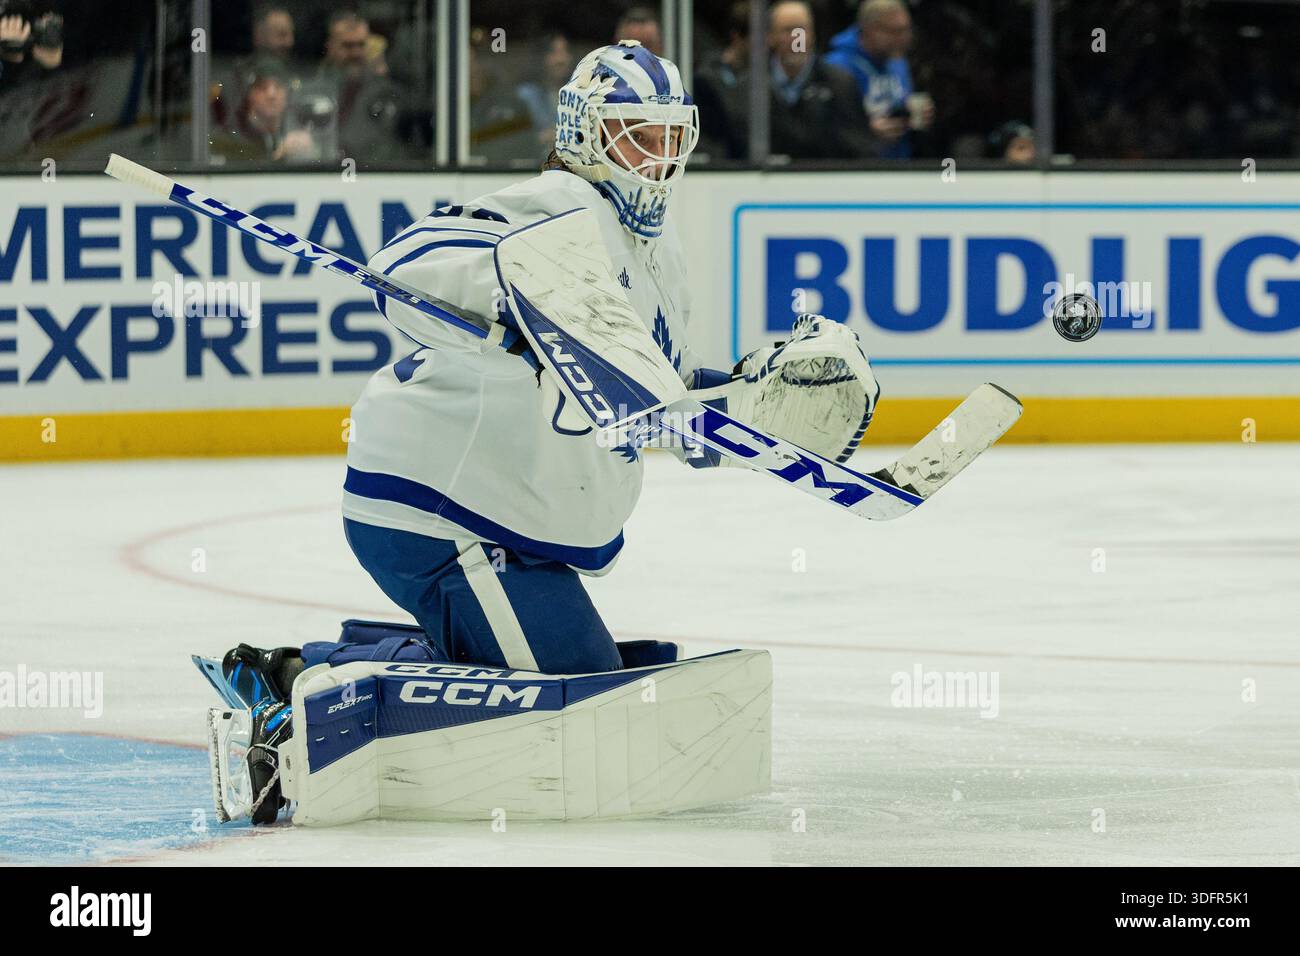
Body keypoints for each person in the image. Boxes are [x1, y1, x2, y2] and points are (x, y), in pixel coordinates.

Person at [214, 40, 880, 824]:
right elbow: (406, 263)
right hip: (440, 512)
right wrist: (512, 299)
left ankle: (315, 669)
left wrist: (747, 398)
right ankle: (293, 694)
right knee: (573, 690)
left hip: (517, 513)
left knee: (581, 681)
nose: (658, 159)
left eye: (672, 137)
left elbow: (641, 395)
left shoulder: (659, 252)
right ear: (586, 134)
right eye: (638, 134)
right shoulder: (558, 208)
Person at [768, 1, 878, 159]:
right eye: (788, 30)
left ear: (812, 34)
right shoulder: (753, 86)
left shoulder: (840, 84)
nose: (796, 40)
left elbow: (859, 146)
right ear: (770, 36)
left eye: (802, 30)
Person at [824, 0, 932, 159]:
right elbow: (826, 130)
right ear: (869, 30)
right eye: (895, 32)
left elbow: (900, 105)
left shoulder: (897, 60)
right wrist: (866, 131)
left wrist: (916, 115)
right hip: (857, 166)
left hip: (900, 162)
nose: (905, 38)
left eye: (907, 30)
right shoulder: (836, 67)